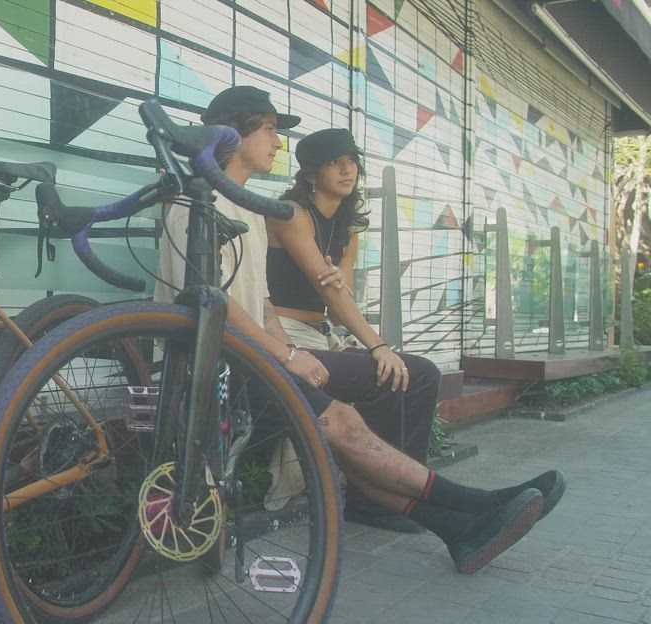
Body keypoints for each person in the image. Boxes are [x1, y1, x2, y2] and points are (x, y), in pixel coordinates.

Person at [155, 86, 563, 573]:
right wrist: (288, 357)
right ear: (231, 131)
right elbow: (212, 303)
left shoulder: (250, 208)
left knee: (389, 387)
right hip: (216, 369)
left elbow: (261, 304)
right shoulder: (194, 203)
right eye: (269, 129)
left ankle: (460, 527)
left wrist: (289, 354)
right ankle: (477, 506)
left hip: (256, 357)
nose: (278, 143)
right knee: (343, 422)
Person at [265, 128, 437, 532]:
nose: (348, 169)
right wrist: (378, 345)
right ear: (311, 173)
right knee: (386, 367)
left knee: (418, 374)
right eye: (334, 162)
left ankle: (388, 495)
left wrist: (341, 277)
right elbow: (326, 286)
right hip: (284, 332)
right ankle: (374, 500)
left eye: (352, 161)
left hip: (324, 331)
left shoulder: (347, 227)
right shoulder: (291, 213)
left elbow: (339, 304)